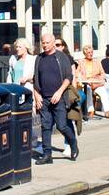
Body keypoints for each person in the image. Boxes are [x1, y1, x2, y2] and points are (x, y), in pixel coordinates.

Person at [32, 30, 77, 164]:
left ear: (53, 43)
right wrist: (37, 95)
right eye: (43, 43)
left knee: (62, 126)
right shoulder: (39, 58)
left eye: (47, 43)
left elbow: (69, 77)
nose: (45, 45)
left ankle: (73, 143)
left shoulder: (61, 57)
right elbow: (36, 79)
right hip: (44, 98)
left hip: (59, 97)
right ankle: (47, 155)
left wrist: (59, 92)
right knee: (45, 127)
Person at [76, 44, 109, 118]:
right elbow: (77, 73)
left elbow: (103, 73)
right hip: (87, 83)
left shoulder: (97, 62)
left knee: (103, 91)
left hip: (96, 83)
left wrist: (99, 78)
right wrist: (82, 78)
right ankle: (90, 110)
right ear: (85, 53)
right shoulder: (81, 62)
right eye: (88, 53)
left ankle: (107, 110)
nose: (90, 54)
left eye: (91, 52)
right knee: (88, 89)